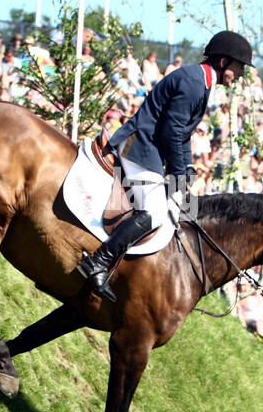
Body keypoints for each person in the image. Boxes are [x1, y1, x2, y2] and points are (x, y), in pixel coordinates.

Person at [78, 30, 253, 303]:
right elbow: (172, 131)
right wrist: (179, 170)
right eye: (239, 67)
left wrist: (188, 168)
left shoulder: (201, 82)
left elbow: (181, 134)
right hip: (138, 147)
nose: (240, 74)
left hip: (150, 149)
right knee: (155, 210)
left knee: (182, 207)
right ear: (223, 62)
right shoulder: (195, 83)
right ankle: (98, 262)